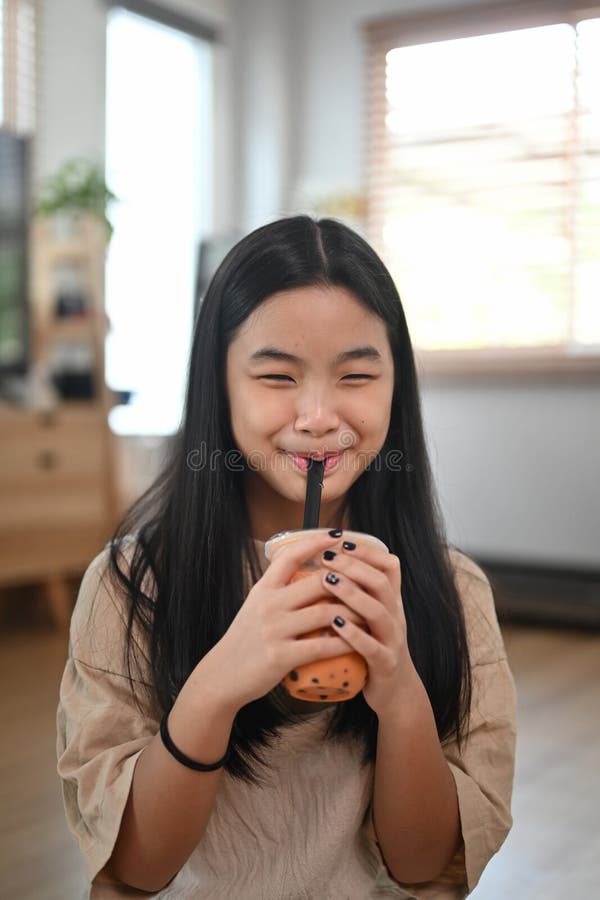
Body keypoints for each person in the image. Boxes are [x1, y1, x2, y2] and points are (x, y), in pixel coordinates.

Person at [57, 215, 517, 899]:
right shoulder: (130, 588)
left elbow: (423, 865)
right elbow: (138, 869)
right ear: (220, 384)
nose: (318, 415)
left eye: (357, 375)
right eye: (276, 375)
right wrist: (220, 683)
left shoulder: (451, 591)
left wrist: (400, 693)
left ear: (398, 386)